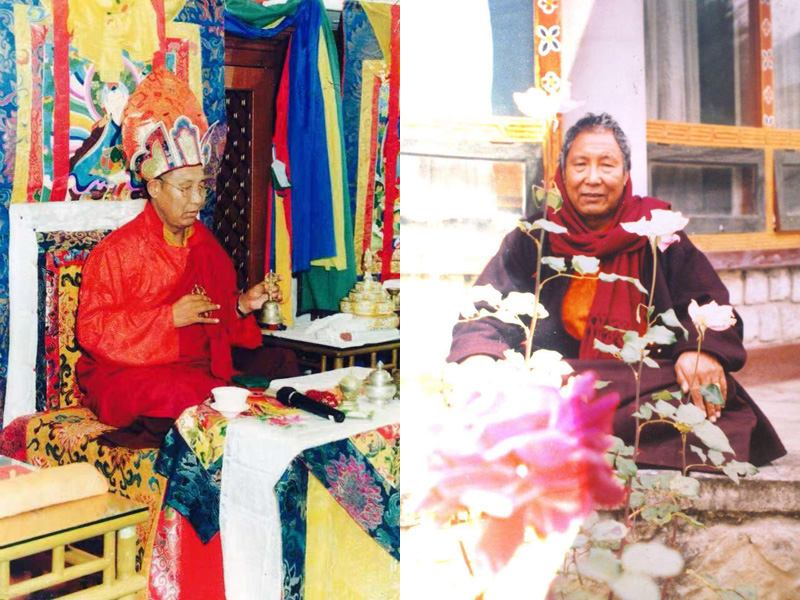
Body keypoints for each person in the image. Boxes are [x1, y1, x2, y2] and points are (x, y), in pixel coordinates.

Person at [449, 112, 786, 469]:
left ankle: (555, 438)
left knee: (712, 394)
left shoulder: (658, 232)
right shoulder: (536, 234)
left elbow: (708, 304)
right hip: (557, 381)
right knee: (505, 392)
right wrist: (478, 356)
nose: (592, 178)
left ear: (625, 175)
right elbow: (485, 306)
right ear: (562, 173)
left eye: (606, 165)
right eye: (580, 165)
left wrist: (699, 351)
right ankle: (587, 436)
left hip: (638, 383)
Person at [76, 68, 275, 428]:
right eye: (186, 188)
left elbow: (214, 322)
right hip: (128, 373)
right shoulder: (118, 252)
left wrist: (243, 304)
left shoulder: (204, 242)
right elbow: (94, 332)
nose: (198, 199)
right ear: (154, 188)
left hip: (191, 368)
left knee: (282, 369)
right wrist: (170, 318)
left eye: (202, 187)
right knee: (185, 393)